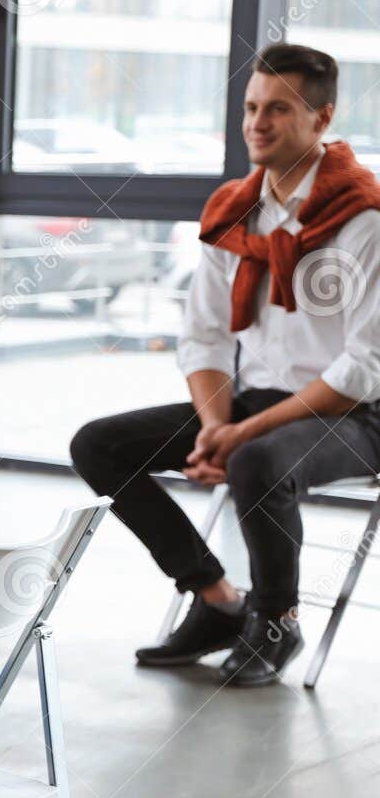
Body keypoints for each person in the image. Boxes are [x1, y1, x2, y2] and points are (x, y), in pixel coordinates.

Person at [71, 43, 380, 687]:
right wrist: (218, 425)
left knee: (256, 459)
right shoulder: (232, 213)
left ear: (322, 120)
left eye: (278, 110)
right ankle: (215, 599)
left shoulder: (363, 217)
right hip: (255, 403)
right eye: (249, 108)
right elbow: (206, 340)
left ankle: (276, 621)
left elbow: (364, 367)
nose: (256, 124)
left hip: (354, 415)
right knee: (99, 444)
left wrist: (239, 437)